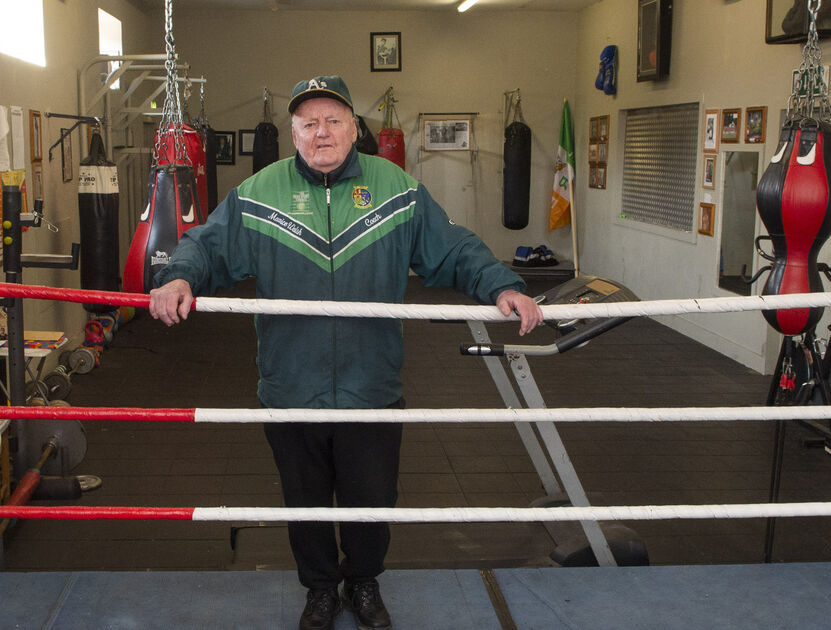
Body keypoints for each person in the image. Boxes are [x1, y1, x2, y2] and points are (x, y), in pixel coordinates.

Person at [148, 75, 543, 630]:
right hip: (291, 385)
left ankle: (363, 582)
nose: (322, 132)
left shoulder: (397, 188)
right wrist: (181, 277)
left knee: (371, 498)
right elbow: (206, 245)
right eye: (309, 123)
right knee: (304, 503)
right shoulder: (259, 193)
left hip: (370, 384)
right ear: (293, 134)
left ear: (355, 128)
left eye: (334, 120)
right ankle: (319, 590)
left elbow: (454, 248)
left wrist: (502, 284)